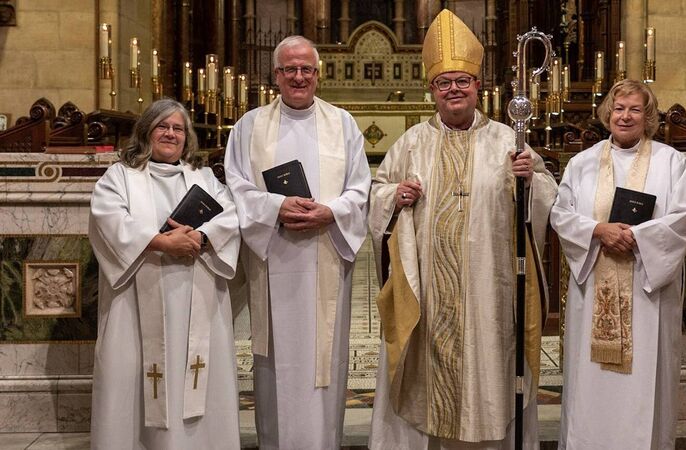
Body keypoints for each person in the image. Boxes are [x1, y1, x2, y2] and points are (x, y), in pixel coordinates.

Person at [368, 9, 558, 449]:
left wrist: (531, 178)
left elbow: (548, 199)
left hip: (490, 296)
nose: (454, 89)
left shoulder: (509, 141)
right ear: (432, 90)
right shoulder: (412, 141)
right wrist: (394, 197)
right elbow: (375, 196)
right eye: (444, 83)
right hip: (429, 298)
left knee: (490, 380)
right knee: (428, 386)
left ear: (478, 87)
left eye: (462, 81)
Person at [223, 35, 370, 449]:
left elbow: (360, 188)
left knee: (325, 362)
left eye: (306, 69)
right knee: (276, 367)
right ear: (276, 75)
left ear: (318, 74)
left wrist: (332, 212)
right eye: (290, 69)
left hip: (326, 254)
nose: (299, 77)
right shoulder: (249, 126)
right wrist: (275, 208)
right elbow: (236, 185)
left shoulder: (342, 123)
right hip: (274, 260)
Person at [549, 79, 686, 449]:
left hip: (647, 294)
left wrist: (638, 238)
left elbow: (683, 218)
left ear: (647, 117)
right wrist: (598, 230)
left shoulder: (671, 162)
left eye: (634, 109)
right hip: (594, 287)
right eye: (618, 108)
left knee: (646, 383)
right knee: (590, 386)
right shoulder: (582, 163)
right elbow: (560, 214)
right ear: (607, 114)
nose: (625, 116)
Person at [88, 98, 241, 449]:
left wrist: (202, 237)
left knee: (197, 377)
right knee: (135, 376)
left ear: (187, 138)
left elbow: (230, 217)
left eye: (178, 129)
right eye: (163, 126)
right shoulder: (121, 177)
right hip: (136, 304)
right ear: (146, 132)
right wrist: (160, 242)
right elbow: (107, 219)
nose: (170, 134)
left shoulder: (203, 179)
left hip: (196, 295)